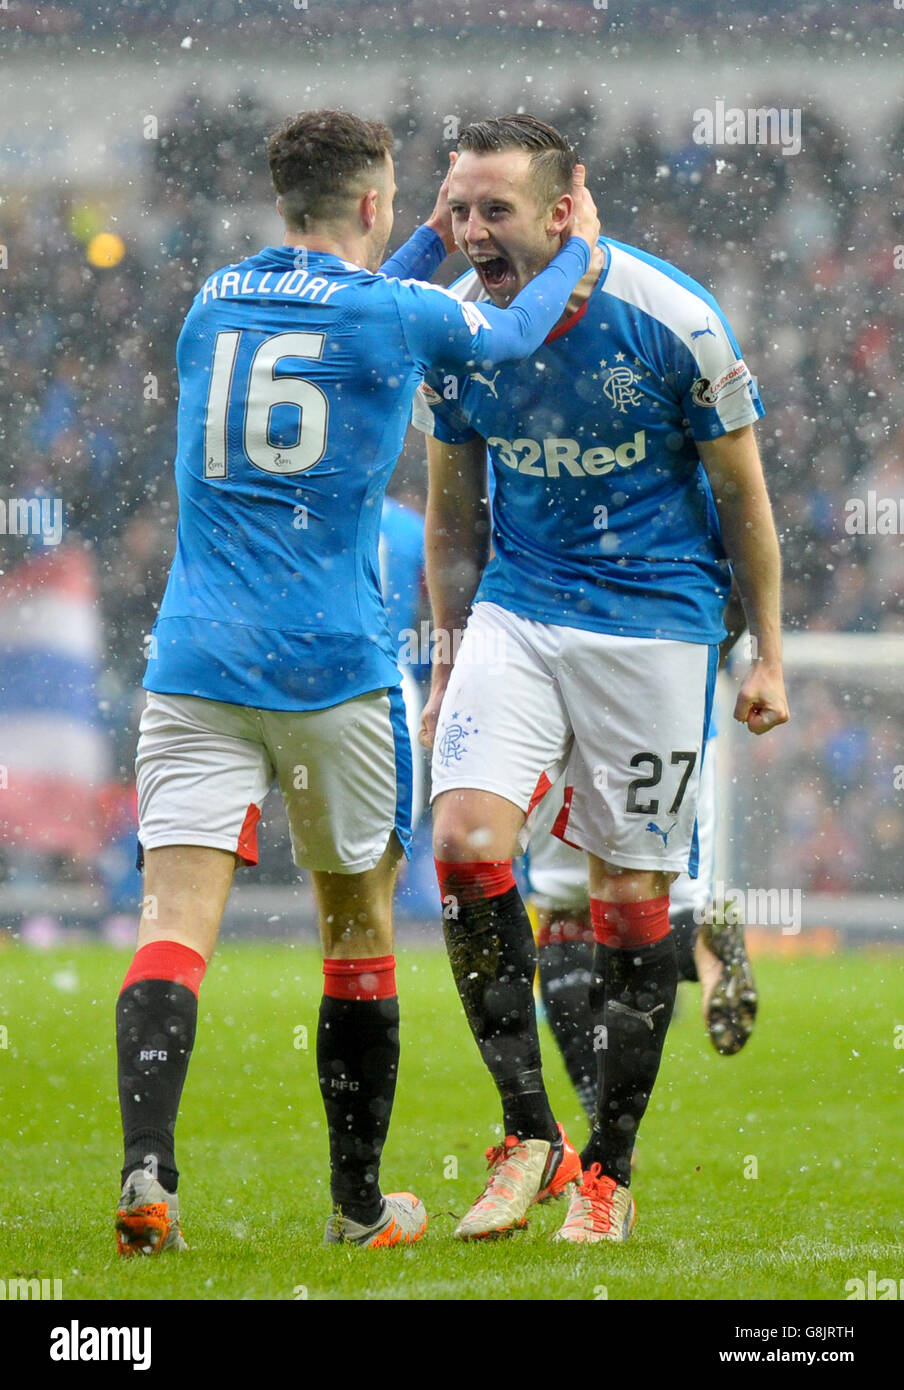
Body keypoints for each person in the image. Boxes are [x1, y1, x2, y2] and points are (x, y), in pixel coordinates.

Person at [114, 108, 600, 1255]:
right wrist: (581, 244)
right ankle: (355, 1205)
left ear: (286, 198)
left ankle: (148, 1171)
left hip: (192, 658)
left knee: (172, 929)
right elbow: (518, 330)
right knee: (357, 934)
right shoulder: (397, 308)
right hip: (331, 671)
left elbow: (336, 311)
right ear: (380, 203)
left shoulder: (210, 301)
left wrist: (408, 245)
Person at [414, 114, 789, 1243]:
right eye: (459, 209)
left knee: (631, 907)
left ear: (563, 209)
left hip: (654, 624)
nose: (473, 233)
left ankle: (608, 1174)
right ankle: (531, 1133)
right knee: (467, 840)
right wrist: (444, 655)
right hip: (519, 610)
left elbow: (744, 499)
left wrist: (767, 647)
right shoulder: (458, 331)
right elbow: (447, 519)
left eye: (497, 210)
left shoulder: (673, 321)